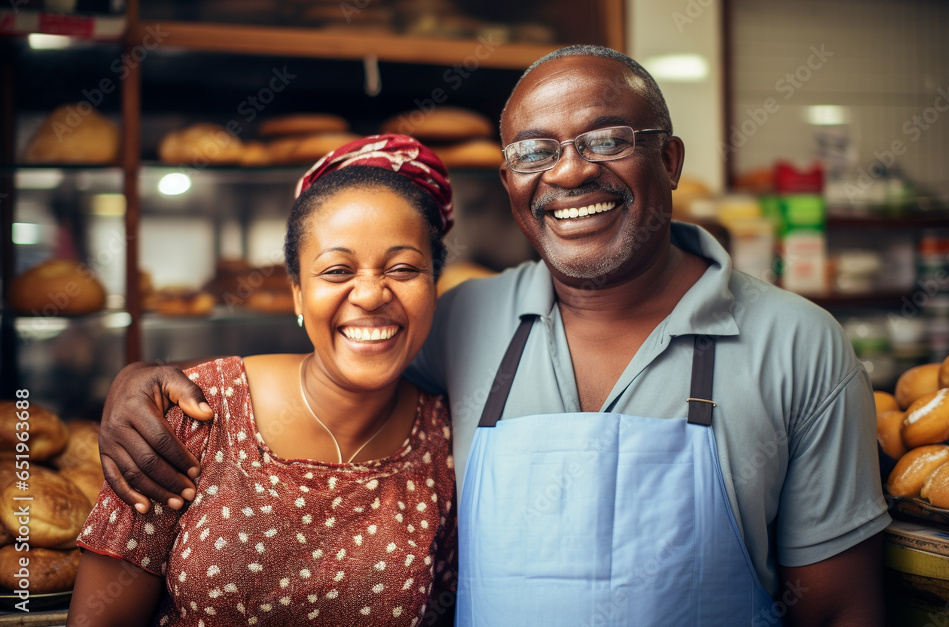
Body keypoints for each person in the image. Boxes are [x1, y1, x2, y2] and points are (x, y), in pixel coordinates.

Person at [95, 46, 890, 626]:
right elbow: (344, 355)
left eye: (608, 138)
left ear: (671, 158)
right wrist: (142, 380)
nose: (570, 172)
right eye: (535, 152)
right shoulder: (466, 321)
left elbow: (842, 608)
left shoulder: (800, 344)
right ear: (511, 185)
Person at [69, 135, 458, 626]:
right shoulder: (198, 413)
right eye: (337, 270)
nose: (370, 294)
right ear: (297, 293)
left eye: (403, 268)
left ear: (433, 288)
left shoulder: (446, 445)